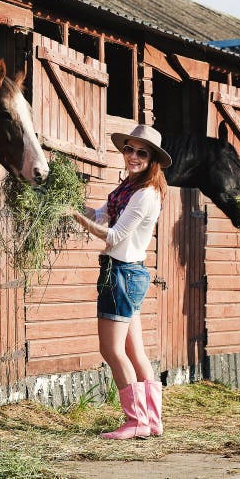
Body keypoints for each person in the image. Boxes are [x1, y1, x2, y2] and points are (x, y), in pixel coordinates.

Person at [68, 124, 171, 439]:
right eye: (129, 149)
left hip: (122, 274)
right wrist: (72, 206)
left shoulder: (145, 194)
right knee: (135, 351)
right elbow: (102, 216)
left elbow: (113, 235)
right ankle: (151, 420)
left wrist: (79, 221)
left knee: (111, 350)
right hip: (130, 273)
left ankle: (135, 420)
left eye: (142, 152)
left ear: (152, 158)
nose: (134, 156)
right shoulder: (130, 187)